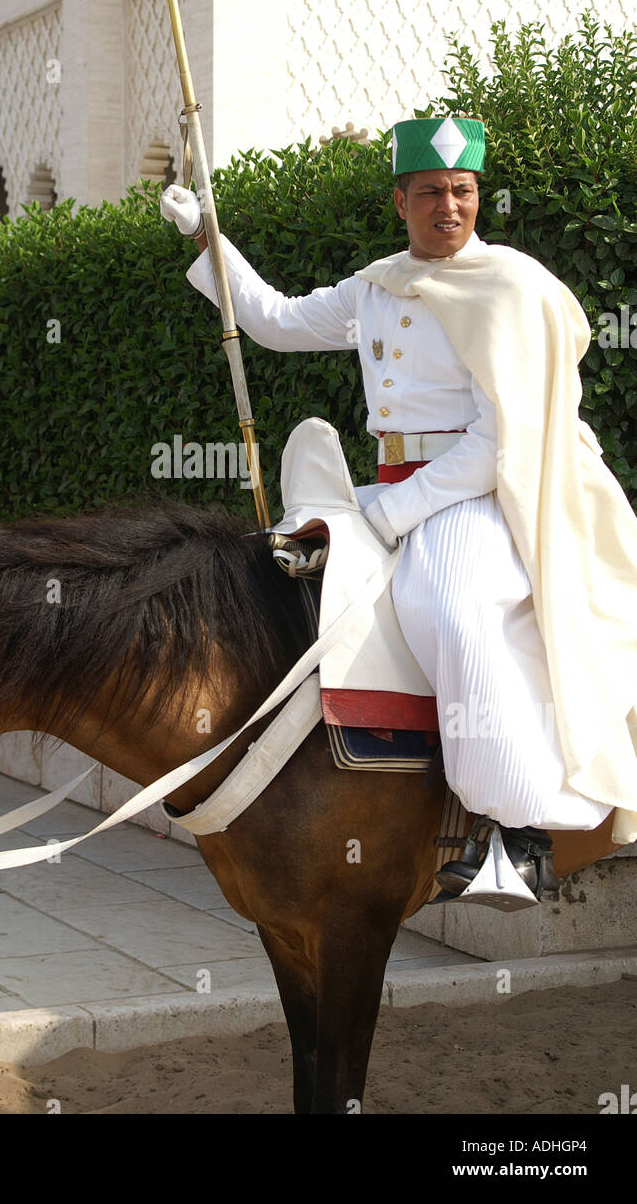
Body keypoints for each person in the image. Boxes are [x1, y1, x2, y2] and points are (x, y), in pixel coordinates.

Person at [160, 116, 637, 906]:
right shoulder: (376, 288)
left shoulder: (514, 287)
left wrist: (400, 511)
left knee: (450, 610)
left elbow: (500, 440)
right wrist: (207, 234)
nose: (449, 207)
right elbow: (275, 322)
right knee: (274, 582)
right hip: (383, 489)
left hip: (475, 491)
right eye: (431, 194)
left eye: (463, 192)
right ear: (401, 201)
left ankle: (519, 834)